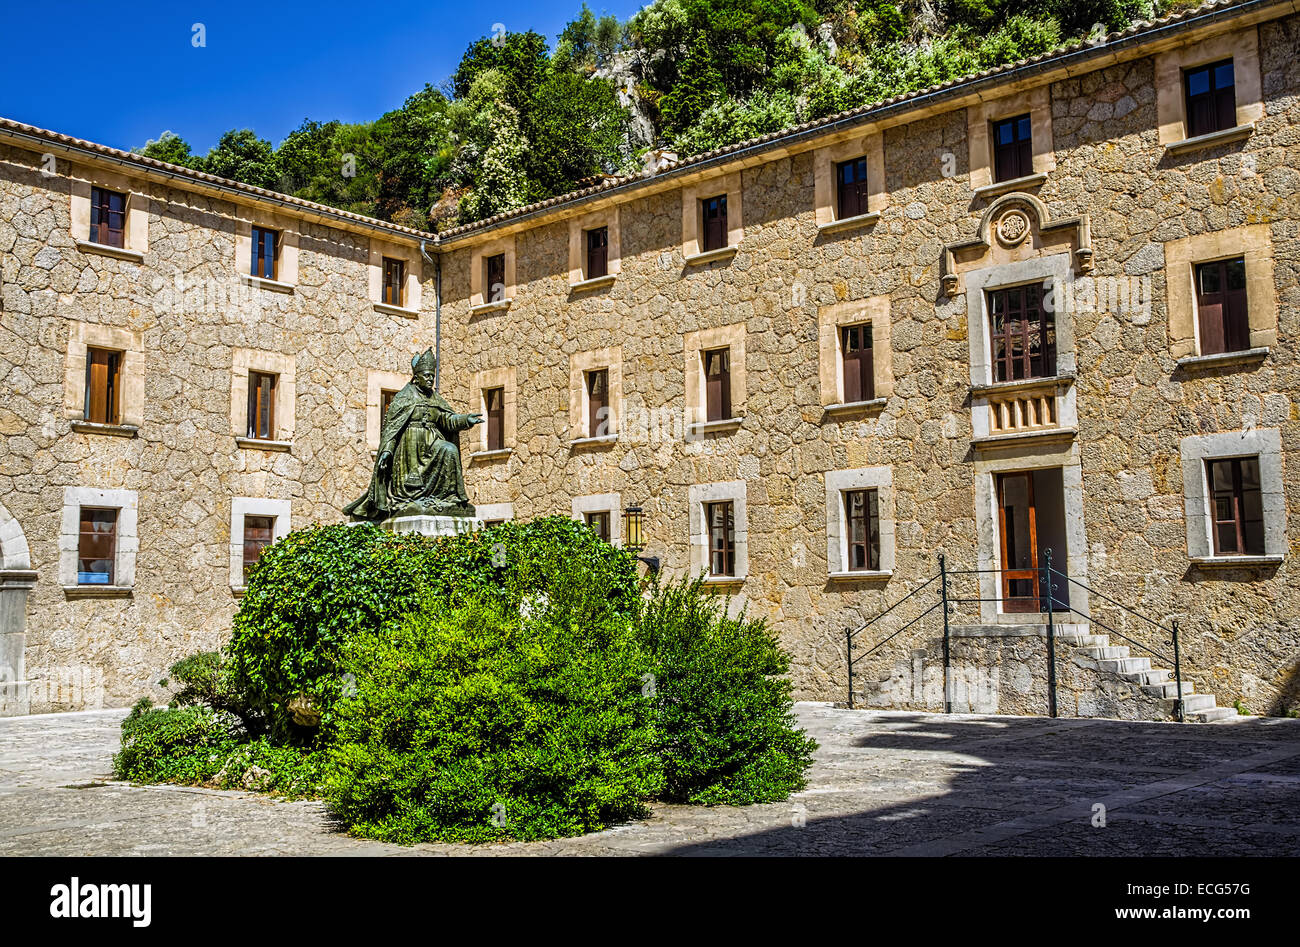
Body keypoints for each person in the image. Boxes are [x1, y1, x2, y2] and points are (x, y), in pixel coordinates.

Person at [344, 348, 482, 521]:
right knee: (414, 479)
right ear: (416, 377)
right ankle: (411, 498)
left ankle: (450, 499)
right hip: (409, 450)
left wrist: (465, 420)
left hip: (432, 443)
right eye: (427, 375)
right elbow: (391, 430)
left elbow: (447, 419)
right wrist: (386, 451)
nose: (431, 379)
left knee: (450, 450)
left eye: (432, 375)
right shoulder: (404, 397)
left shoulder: (435, 398)